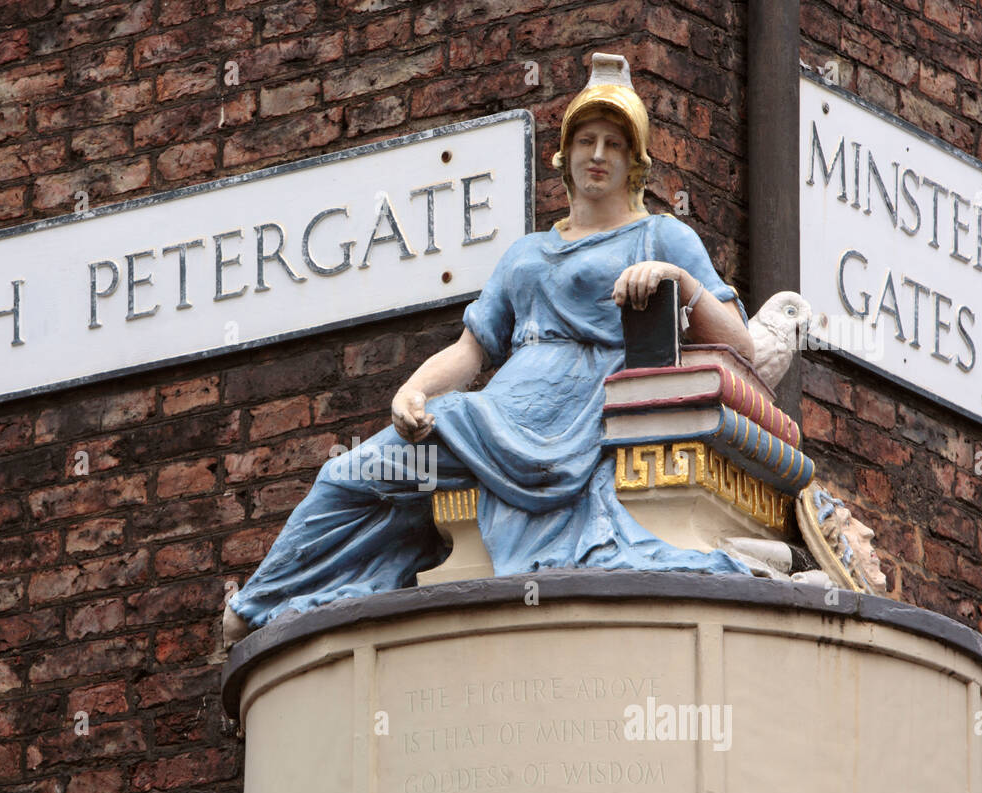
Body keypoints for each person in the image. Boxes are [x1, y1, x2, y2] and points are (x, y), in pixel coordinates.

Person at [224, 53, 757, 645]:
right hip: (493, 412)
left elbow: (741, 344)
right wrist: (415, 389)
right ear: (564, 154)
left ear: (635, 161)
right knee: (349, 473)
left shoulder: (661, 235)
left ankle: (266, 605)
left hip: (573, 418)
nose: (599, 155)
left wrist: (677, 284)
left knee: (377, 471)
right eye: (586, 140)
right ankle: (264, 604)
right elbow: (471, 351)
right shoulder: (524, 253)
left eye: (614, 142)